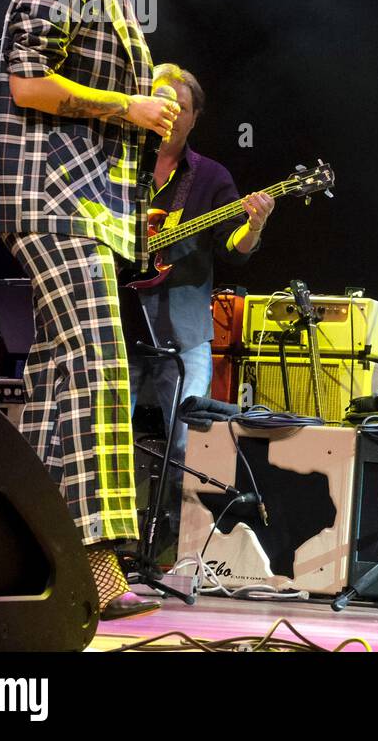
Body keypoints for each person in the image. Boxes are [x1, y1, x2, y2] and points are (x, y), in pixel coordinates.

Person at [0, 0, 179, 620]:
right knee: (99, 370)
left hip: (90, 207)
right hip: (54, 204)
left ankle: (35, 552)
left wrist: (137, 173)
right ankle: (94, 571)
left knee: (62, 384)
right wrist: (127, 108)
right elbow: (28, 82)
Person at [128, 62, 272, 553]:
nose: (169, 113)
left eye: (180, 106)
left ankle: (174, 551)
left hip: (184, 329)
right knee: (105, 438)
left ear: (194, 119)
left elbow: (235, 247)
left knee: (185, 445)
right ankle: (108, 549)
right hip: (119, 324)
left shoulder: (210, 177)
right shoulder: (118, 162)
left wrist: (252, 225)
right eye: (160, 101)